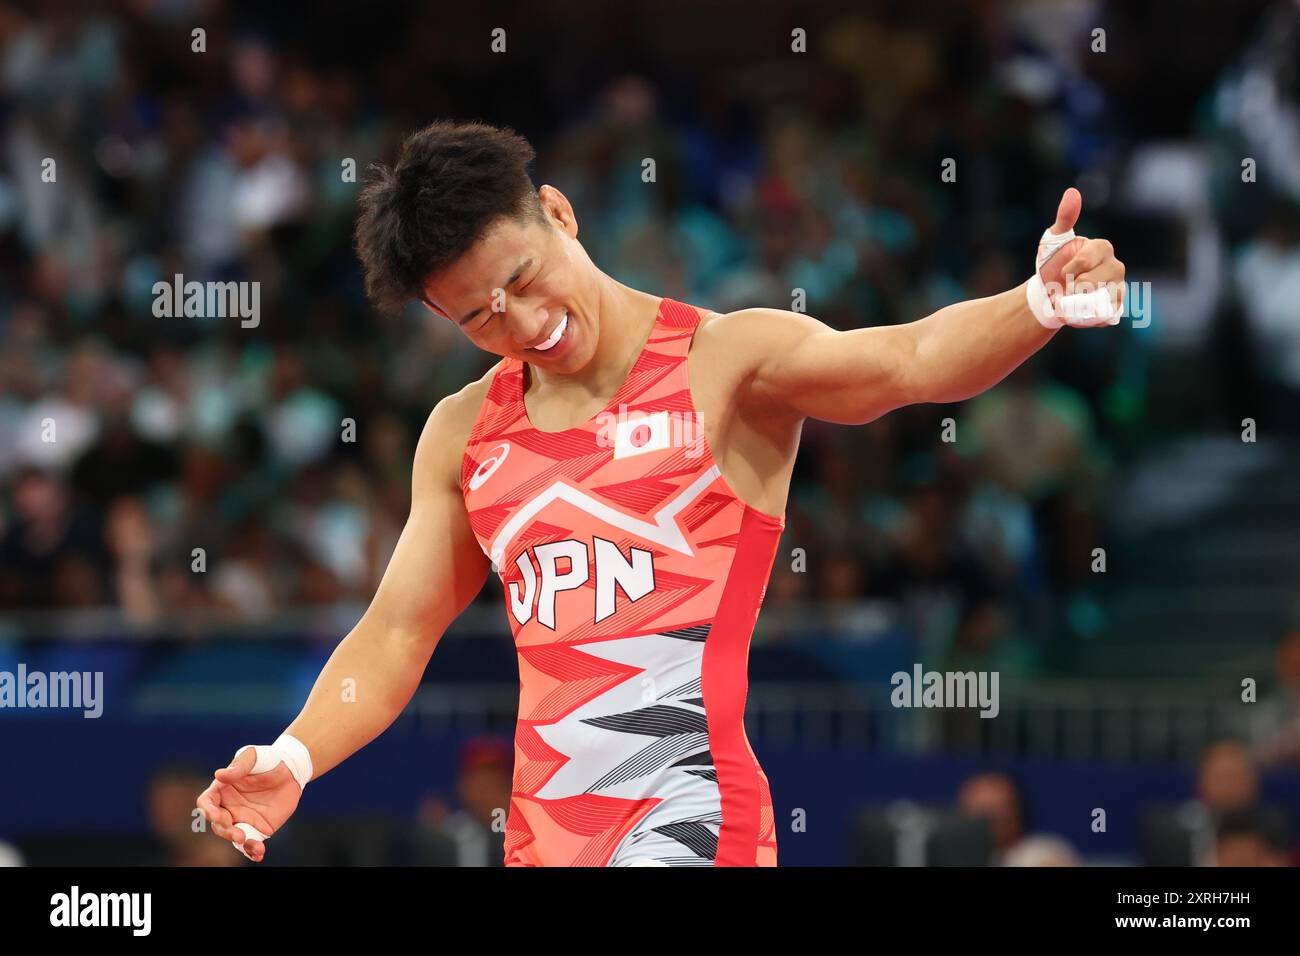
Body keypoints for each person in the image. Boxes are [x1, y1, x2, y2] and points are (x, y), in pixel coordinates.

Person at [197, 120, 1126, 867]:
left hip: (690, 813)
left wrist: (1037, 302)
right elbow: (397, 633)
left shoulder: (727, 363)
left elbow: (911, 360)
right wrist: (293, 757)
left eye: (520, 279)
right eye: (479, 316)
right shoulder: (462, 433)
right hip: (545, 835)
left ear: (558, 213)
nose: (522, 322)